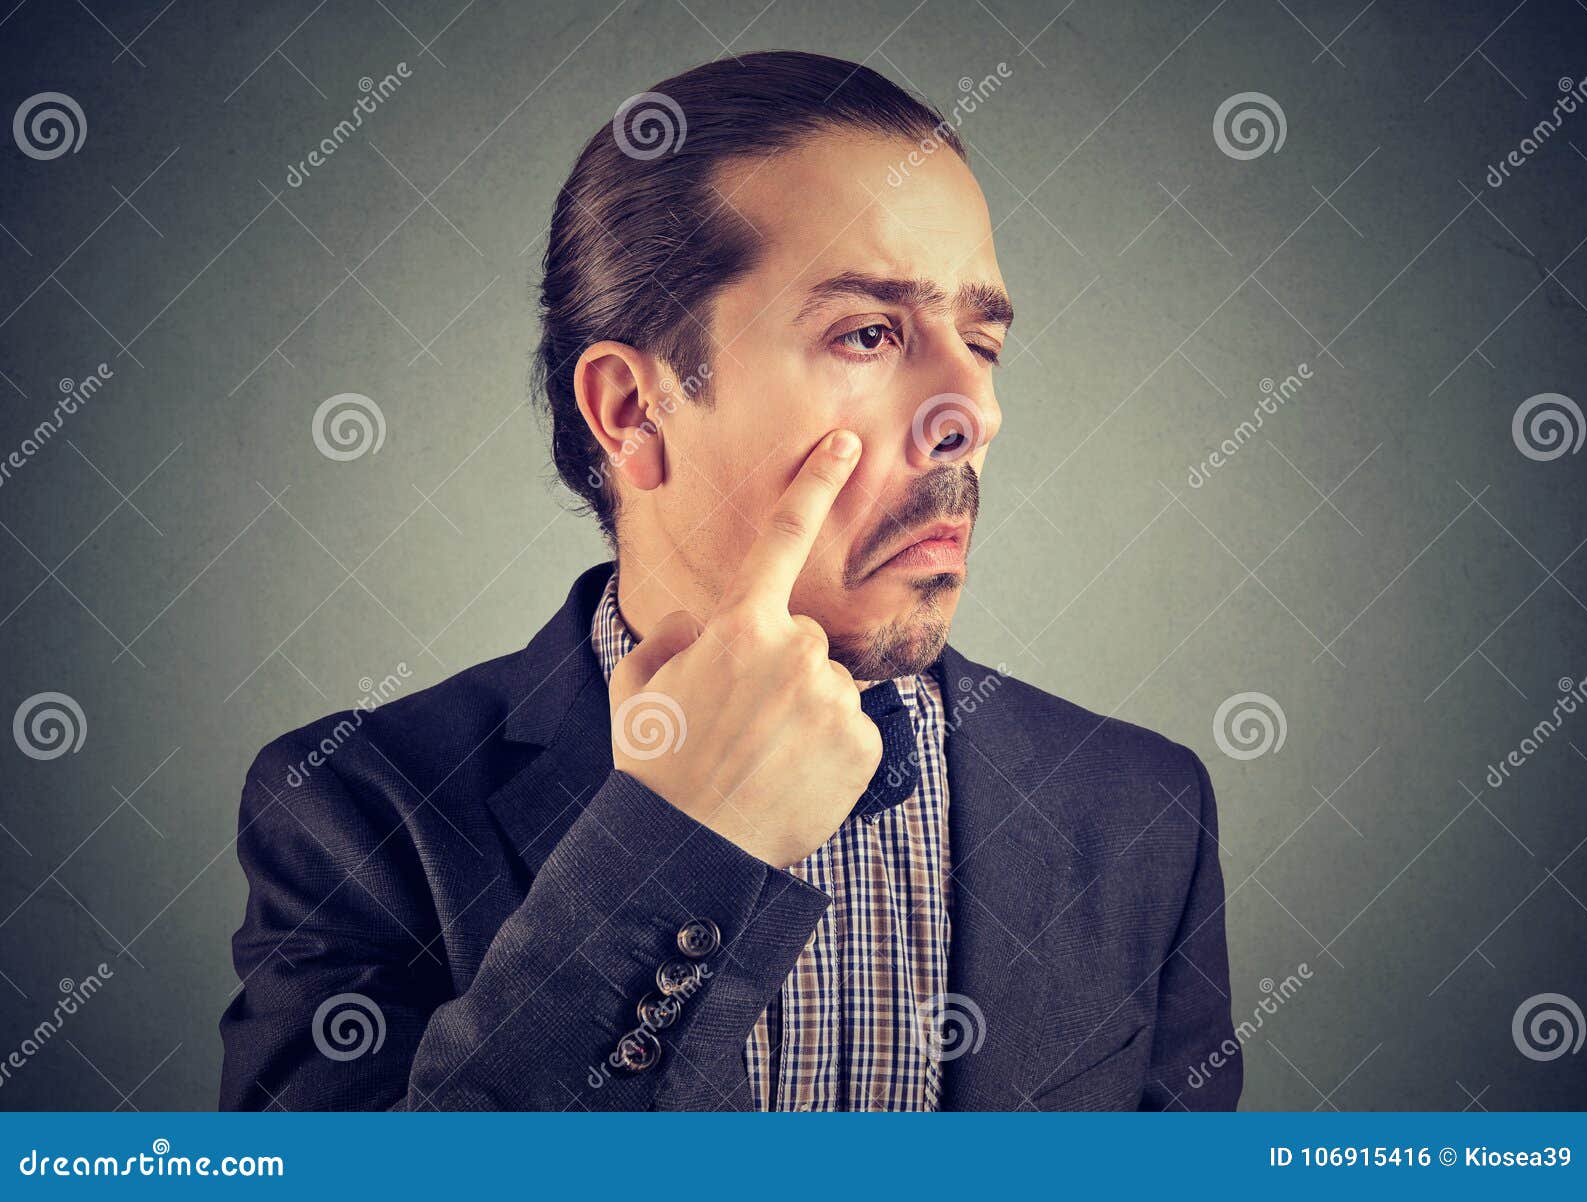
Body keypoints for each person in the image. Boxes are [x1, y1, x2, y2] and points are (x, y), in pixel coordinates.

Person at [220, 49, 1239, 1112]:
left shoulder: (1143, 810)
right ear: (632, 410)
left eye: (980, 343)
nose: (973, 413)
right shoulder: (356, 809)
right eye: (868, 334)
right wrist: (679, 843)